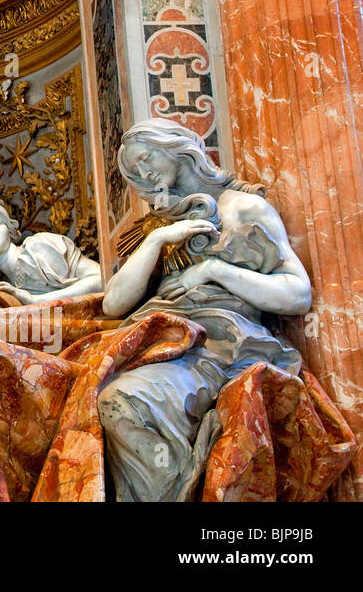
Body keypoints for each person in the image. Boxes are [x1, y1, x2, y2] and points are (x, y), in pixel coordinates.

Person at [96, 119, 311, 501]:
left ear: (176, 146)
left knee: (123, 399)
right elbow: (113, 305)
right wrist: (158, 238)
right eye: (135, 170)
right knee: (102, 397)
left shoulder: (242, 208)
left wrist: (213, 269)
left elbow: (297, 294)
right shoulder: (155, 228)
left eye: (147, 158)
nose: (144, 173)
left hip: (218, 348)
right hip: (157, 345)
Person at [0, 190, 102, 315]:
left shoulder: (40, 247)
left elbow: (102, 280)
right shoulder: (7, 289)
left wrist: (36, 300)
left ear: (10, 229)